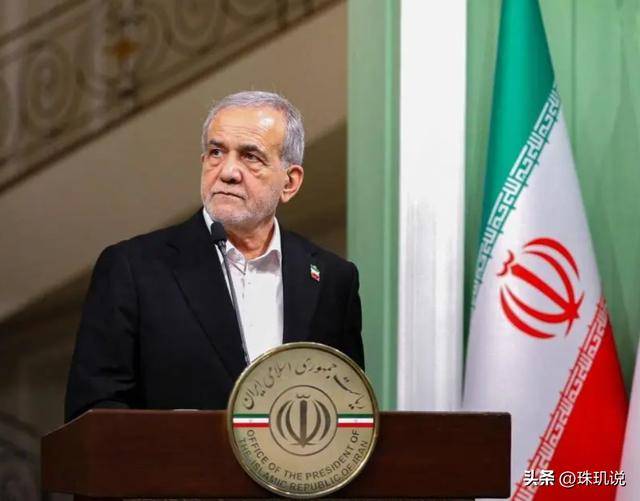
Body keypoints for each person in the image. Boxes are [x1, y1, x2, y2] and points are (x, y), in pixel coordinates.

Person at [65, 91, 364, 421]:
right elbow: (94, 412)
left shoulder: (333, 280)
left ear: (289, 182)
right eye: (216, 152)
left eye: (251, 156)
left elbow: (350, 413)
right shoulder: (133, 269)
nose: (228, 171)